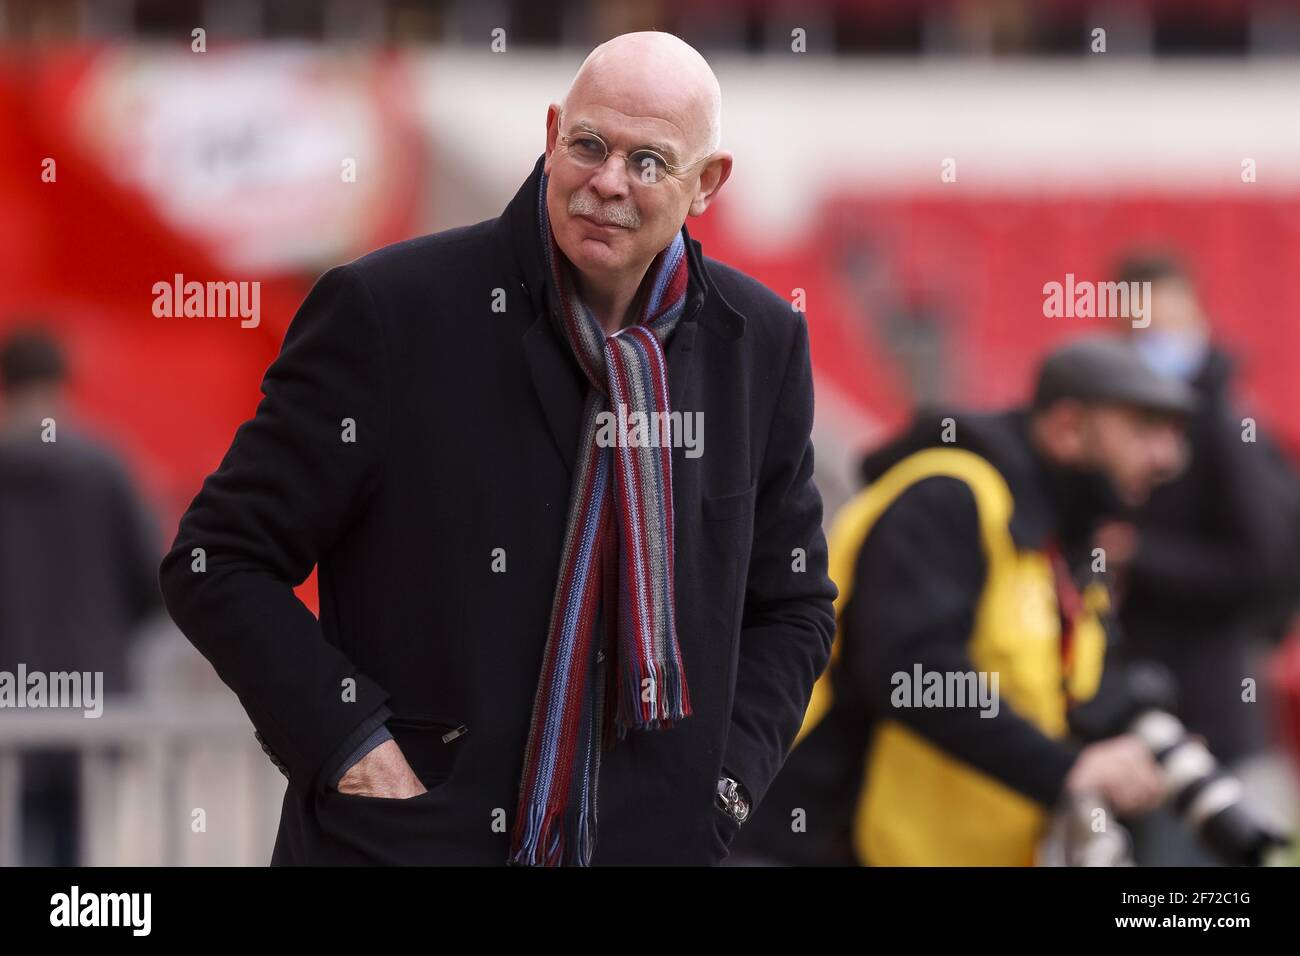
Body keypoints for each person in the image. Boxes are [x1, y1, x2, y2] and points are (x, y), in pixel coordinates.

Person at [158, 32, 836, 866]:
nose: (609, 181)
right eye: (589, 144)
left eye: (650, 160)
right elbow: (216, 559)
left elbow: (793, 605)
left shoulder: (759, 344)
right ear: (552, 134)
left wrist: (724, 786)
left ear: (708, 184)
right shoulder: (390, 311)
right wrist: (351, 748)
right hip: (405, 844)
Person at [734, 335, 1194, 866]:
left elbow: (1069, 685)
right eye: (1144, 430)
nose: (1167, 458)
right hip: (812, 838)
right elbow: (911, 672)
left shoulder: (1058, 535)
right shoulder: (948, 495)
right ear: (1068, 427)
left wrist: (1141, 734)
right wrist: (1066, 770)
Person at [1112, 253, 1300, 863]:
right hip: (1134, 709)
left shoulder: (1223, 425)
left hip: (1205, 710)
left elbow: (1264, 563)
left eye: (1168, 322)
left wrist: (1140, 555)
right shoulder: (1130, 418)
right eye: (1142, 327)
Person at [0, 325, 161, 865]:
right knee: (77, 851)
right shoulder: (107, 468)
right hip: (95, 698)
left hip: (8, 701)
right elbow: (154, 581)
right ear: (65, 382)